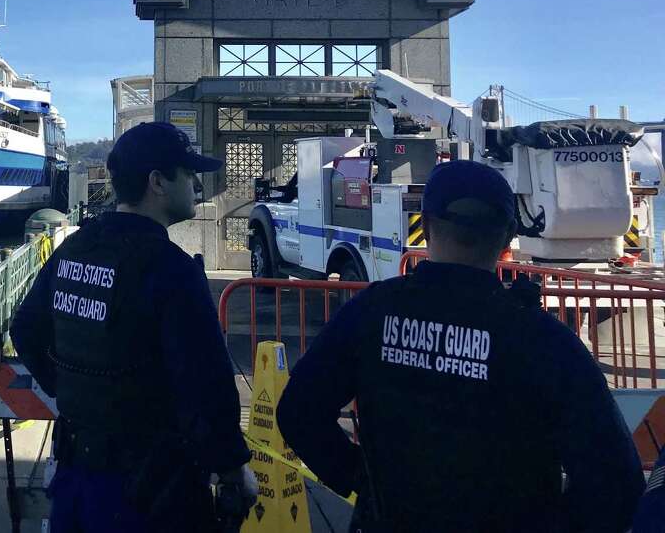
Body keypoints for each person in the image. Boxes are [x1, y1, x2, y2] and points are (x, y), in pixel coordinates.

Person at [276, 160, 645, 533]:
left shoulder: (372, 313)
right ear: (507, 237)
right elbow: (616, 480)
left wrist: (361, 480)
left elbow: (297, 411)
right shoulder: (542, 339)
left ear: (428, 224)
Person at [11, 122, 257, 532]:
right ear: (157, 182)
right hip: (153, 493)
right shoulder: (170, 268)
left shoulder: (77, 247)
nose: (197, 183)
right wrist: (232, 469)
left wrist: (76, 391)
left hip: (76, 479)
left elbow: (25, 330)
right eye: (188, 172)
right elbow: (206, 386)